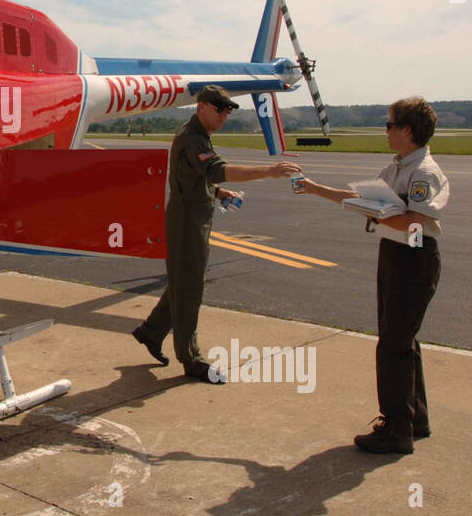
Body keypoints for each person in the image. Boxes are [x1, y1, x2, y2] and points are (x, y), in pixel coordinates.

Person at [293, 96, 449, 453]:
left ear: (407, 130)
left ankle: (396, 430)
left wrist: (378, 214)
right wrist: (316, 188)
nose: (386, 130)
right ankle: (415, 419)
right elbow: (361, 198)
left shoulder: (423, 172)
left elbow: (413, 219)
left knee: (393, 345)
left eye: (390, 124)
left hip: (414, 257)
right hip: (394, 253)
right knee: (401, 340)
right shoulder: (397, 167)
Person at [132, 85, 302, 381]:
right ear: (202, 107)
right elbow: (217, 170)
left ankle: (151, 331)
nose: (225, 114)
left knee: (184, 282)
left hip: (194, 215)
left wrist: (219, 193)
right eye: (219, 108)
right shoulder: (193, 139)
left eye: (228, 110)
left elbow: (200, 177)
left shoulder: (199, 135)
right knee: (190, 289)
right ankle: (191, 358)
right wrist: (268, 171)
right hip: (187, 221)